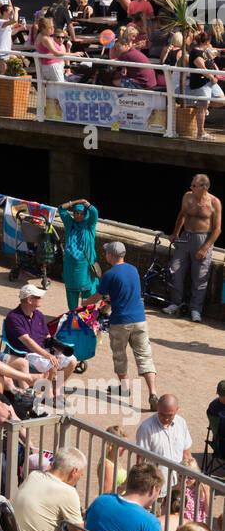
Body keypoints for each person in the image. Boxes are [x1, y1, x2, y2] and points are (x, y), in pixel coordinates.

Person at [89, 240, 158, 409]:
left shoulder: (109, 274)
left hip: (120, 322)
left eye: (107, 252)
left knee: (120, 355)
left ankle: (125, 388)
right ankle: (153, 393)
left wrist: (84, 302)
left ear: (111, 255)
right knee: (144, 356)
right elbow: (126, 293)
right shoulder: (133, 270)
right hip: (140, 319)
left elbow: (97, 297)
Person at [165, 175, 221, 322]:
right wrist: (176, 232)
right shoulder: (187, 196)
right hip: (186, 236)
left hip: (203, 239)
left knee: (200, 276)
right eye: (191, 185)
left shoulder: (214, 202)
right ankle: (175, 303)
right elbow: (182, 215)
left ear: (204, 187)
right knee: (175, 269)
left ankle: (196, 309)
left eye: (194, 186)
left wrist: (205, 248)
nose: (191, 187)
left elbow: (217, 229)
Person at [3, 283, 78, 391]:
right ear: (29, 300)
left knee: (72, 361)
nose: (41, 298)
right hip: (26, 353)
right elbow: (28, 342)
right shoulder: (14, 317)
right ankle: (47, 393)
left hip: (42, 350)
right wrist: (48, 355)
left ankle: (56, 389)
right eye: (38, 297)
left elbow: (47, 336)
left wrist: (55, 348)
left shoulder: (38, 315)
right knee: (52, 364)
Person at [57, 198, 99, 311]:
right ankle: (73, 316)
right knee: (71, 294)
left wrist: (86, 204)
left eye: (82, 213)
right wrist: (76, 202)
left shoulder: (90, 226)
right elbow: (61, 209)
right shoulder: (70, 224)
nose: (79, 216)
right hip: (70, 266)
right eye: (76, 213)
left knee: (88, 294)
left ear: (86, 214)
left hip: (86, 267)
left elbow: (94, 212)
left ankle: (88, 317)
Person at [136, 394, 193, 470]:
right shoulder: (146, 427)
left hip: (178, 476)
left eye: (170, 415)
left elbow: (186, 454)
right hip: (156, 477)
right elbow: (141, 459)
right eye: (162, 414)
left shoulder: (181, 423)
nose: (166, 419)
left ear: (177, 410)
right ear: (157, 408)